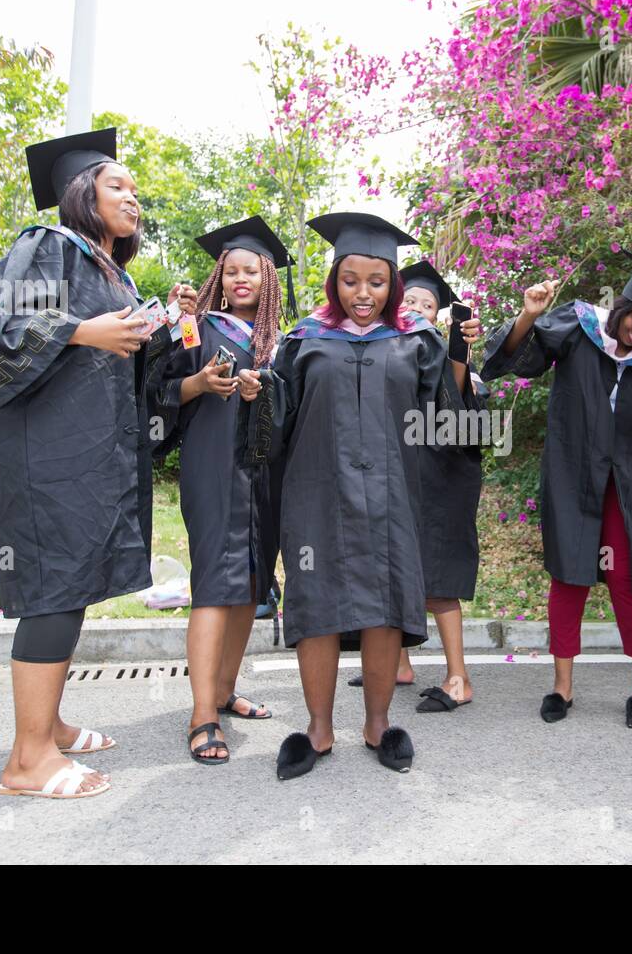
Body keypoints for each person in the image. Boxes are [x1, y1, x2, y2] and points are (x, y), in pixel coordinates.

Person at [0, 128, 191, 798]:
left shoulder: (111, 271)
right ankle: (27, 761)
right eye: (119, 185)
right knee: (55, 589)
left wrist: (163, 327)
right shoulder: (48, 246)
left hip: (91, 453)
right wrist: (83, 330)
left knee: (74, 585)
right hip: (48, 455)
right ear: (82, 194)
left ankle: (49, 723)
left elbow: (126, 368)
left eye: (136, 192)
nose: (133, 199)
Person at [263, 213, 460, 779]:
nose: (363, 294)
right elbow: (278, 422)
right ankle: (318, 729)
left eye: (376, 282)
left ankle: (377, 722)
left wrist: (463, 362)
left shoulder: (418, 340)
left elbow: (442, 418)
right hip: (315, 491)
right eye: (351, 280)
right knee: (317, 605)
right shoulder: (303, 339)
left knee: (386, 604)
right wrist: (259, 394)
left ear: (393, 285)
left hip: (392, 491)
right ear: (335, 280)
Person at [482, 250, 632, 728]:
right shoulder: (579, 328)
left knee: (627, 578)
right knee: (570, 574)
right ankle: (561, 685)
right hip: (573, 474)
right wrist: (529, 314)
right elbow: (519, 359)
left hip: (628, 482)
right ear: (621, 308)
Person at [151, 217, 294, 763]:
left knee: (252, 584)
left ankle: (225, 691)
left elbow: (294, 411)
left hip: (265, 476)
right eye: (231, 270)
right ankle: (201, 714)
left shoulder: (280, 341)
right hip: (213, 471)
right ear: (218, 277)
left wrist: (267, 392)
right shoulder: (197, 326)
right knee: (215, 584)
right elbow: (161, 389)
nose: (240, 279)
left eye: (251, 272)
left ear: (267, 281)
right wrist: (199, 382)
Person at [346, 261, 484, 712]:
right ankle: (399, 665)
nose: (419, 309)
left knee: (437, 580)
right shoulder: (388, 350)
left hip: (441, 483)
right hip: (396, 477)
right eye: (411, 302)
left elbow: (452, 402)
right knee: (390, 572)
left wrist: (460, 348)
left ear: (440, 315)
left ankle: (458, 677)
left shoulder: (447, 354)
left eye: (428, 304)